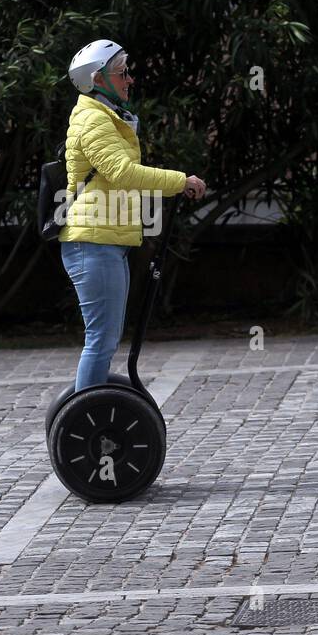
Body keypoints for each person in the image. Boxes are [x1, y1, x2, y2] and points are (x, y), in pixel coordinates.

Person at [59, 39, 207, 391]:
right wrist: (179, 181)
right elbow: (123, 173)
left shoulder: (104, 116)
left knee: (104, 340)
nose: (130, 79)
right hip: (92, 243)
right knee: (101, 342)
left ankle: (87, 413)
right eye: (122, 73)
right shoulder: (93, 118)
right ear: (98, 79)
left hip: (105, 241)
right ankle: (85, 419)